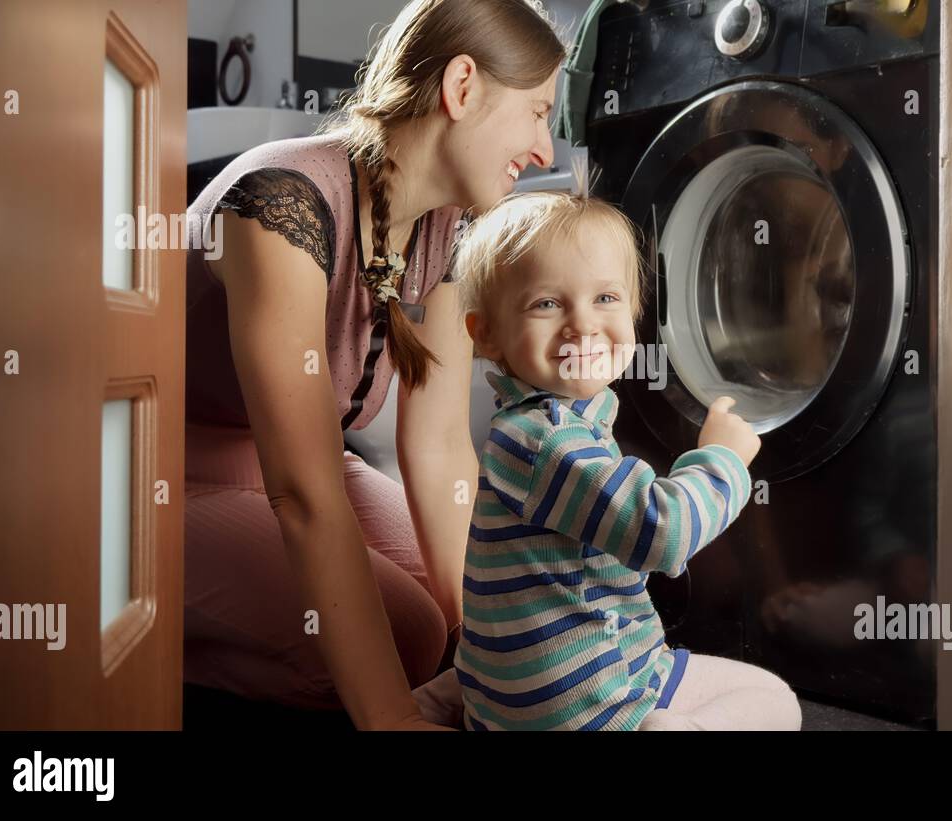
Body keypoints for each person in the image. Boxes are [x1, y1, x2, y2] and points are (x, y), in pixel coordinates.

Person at [183, 0, 565, 730]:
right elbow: (303, 496)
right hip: (174, 474)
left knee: (459, 615)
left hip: (310, 468)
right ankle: (144, 644)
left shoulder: (452, 228)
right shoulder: (283, 203)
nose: (545, 149)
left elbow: (440, 445)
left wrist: (484, 659)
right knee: (406, 633)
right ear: (462, 87)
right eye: (538, 113)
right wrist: (394, 719)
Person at [448, 186, 803, 730]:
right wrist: (721, 458)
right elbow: (664, 532)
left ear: (635, 311)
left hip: (532, 689)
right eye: (547, 303)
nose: (583, 325)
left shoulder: (538, 423)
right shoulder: (548, 438)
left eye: (606, 299)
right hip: (590, 701)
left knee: (751, 689)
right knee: (773, 702)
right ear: (486, 334)